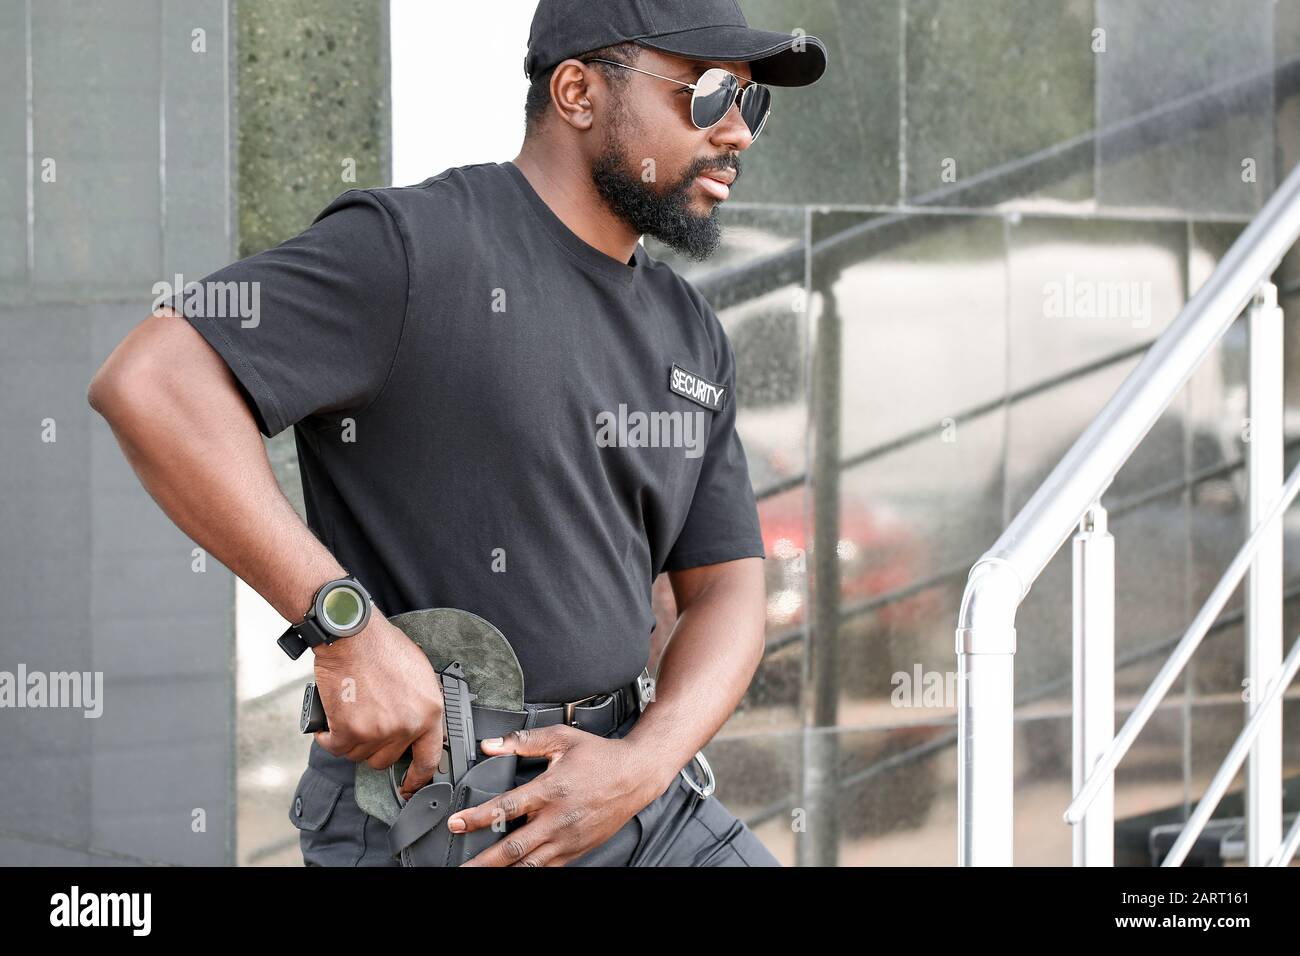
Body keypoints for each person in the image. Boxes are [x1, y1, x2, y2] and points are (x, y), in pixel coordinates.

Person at [87, 0, 827, 867]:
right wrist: (344, 627)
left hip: (635, 793)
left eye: (752, 103)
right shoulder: (417, 248)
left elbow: (728, 586)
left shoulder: (686, 326)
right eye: (706, 94)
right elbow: (153, 382)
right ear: (579, 91)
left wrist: (643, 763)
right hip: (452, 811)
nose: (737, 132)